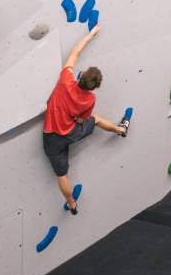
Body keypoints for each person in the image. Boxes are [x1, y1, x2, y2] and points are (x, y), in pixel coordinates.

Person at [42, 26, 131, 213]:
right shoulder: (90, 99)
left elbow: (75, 52)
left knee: (62, 176)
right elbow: (83, 119)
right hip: (71, 133)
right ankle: (121, 130)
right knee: (95, 119)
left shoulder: (65, 80)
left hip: (51, 137)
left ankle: (72, 204)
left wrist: (90, 35)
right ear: (93, 88)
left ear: (81, 75)